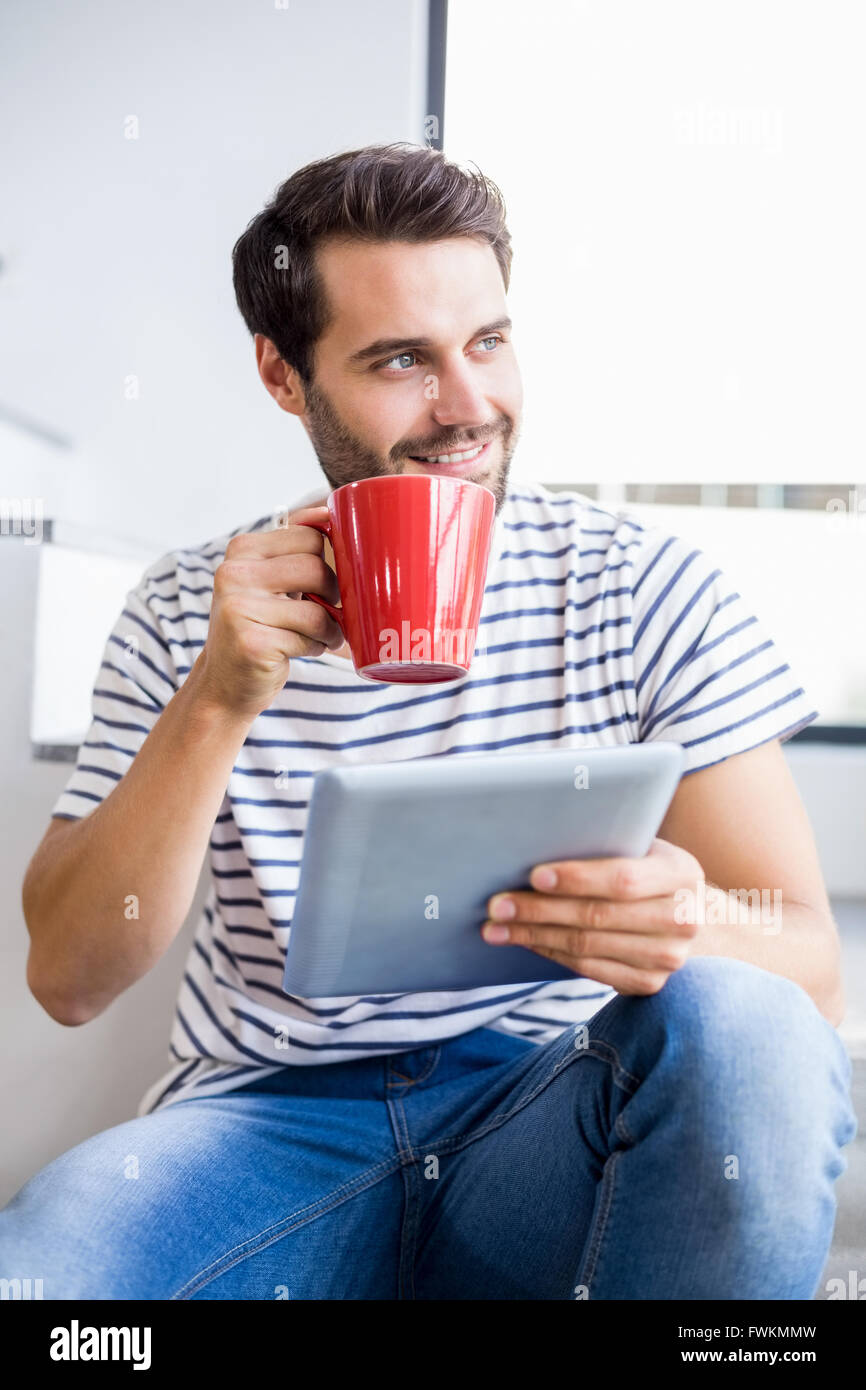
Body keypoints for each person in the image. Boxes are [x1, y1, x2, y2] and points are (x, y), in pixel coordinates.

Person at [0, 143, 856, 1300]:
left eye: (488, 342)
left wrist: (683, 922)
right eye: (402, 358)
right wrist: (218, 696)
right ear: (283, 375)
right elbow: (71, 975)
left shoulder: (641, 587)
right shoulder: (185, 609)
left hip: (546, 1119)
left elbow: (803, 962)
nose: (468, 407)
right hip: (268, 1135)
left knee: (743, 1024)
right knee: (45, 1286)